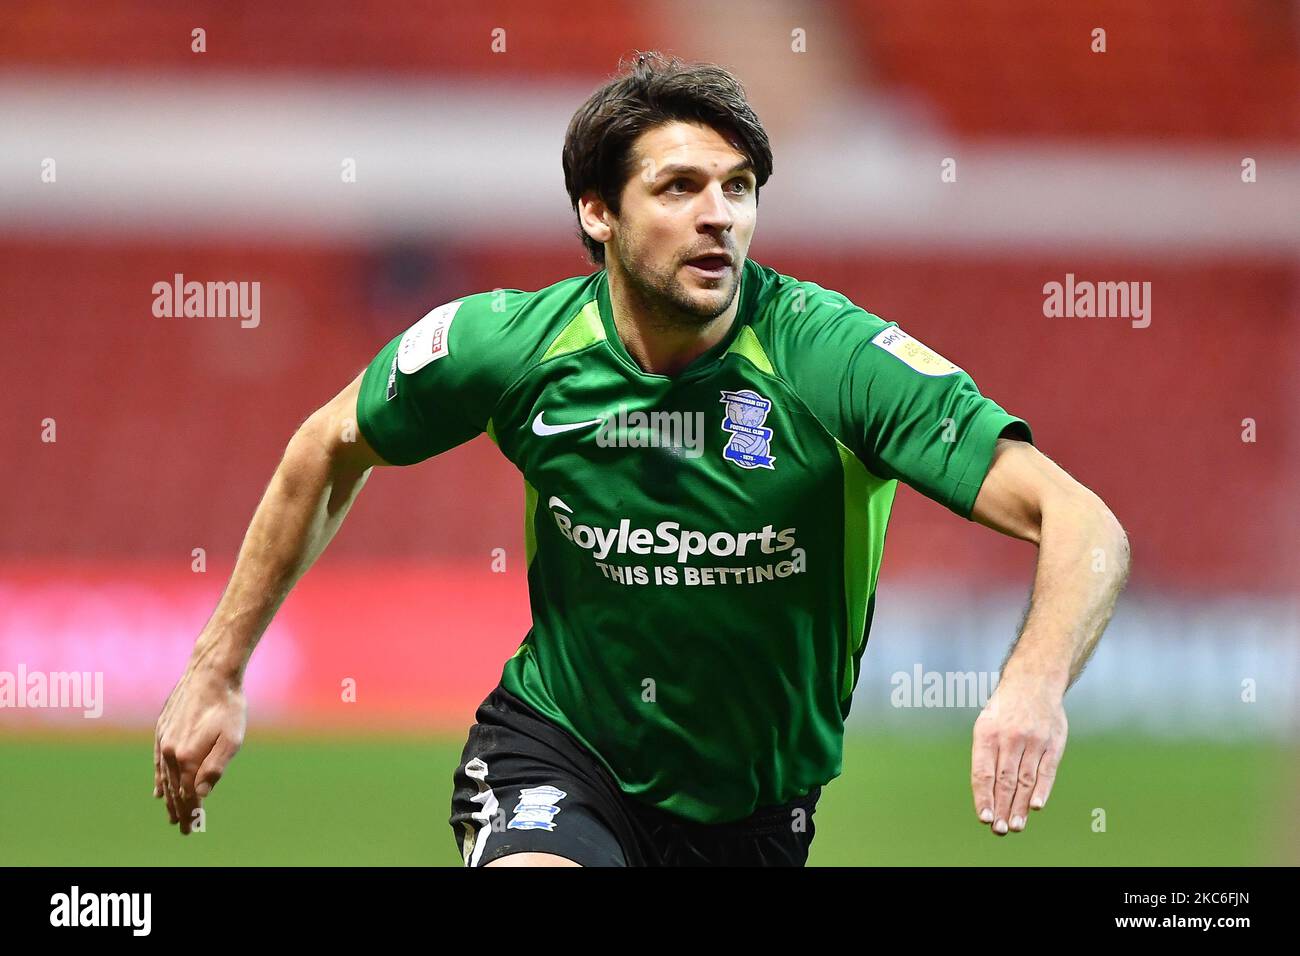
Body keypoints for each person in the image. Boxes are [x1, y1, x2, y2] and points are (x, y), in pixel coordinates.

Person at [154, 51, 1130, 866]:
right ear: (598, 214)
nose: (720, 216)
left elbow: (1083, 522)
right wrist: (217, 668)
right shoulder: (511, 346)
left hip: (755, 813)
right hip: (557, 752)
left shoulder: (831, 361)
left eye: (738, 188)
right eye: (678, 187)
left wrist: (1032, 682)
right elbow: (329, 444)